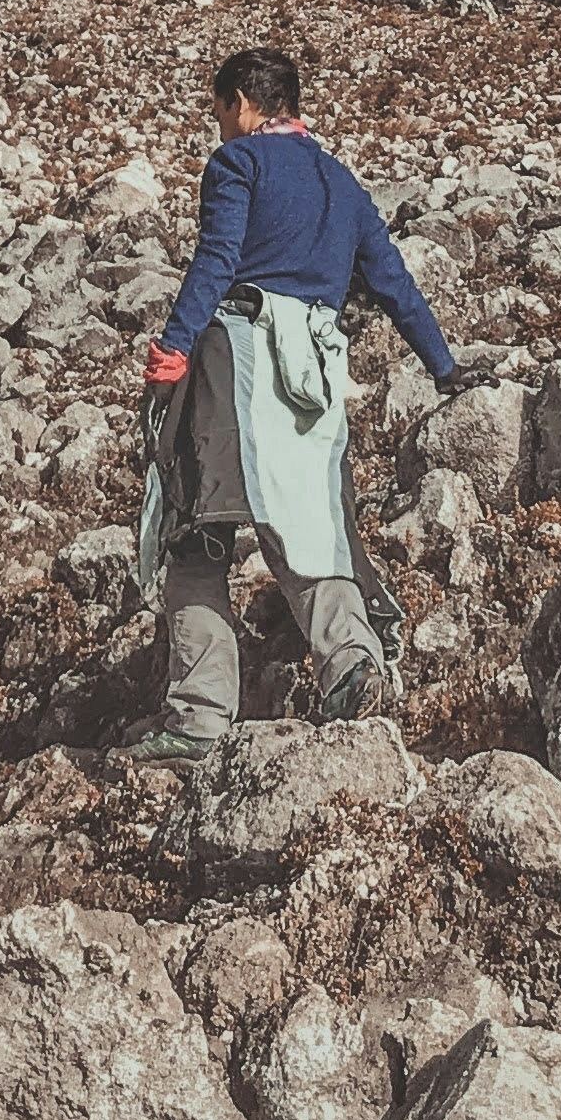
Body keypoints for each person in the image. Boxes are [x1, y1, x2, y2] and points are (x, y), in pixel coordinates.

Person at [120, 45, 462, 758]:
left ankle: (200, 715)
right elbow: (393, 283)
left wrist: (172, 351)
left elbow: (216, 259)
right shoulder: (341, 183)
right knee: (311, 524)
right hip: (315, 373)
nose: (219, 130)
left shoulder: (238, 164)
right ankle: (352, 661)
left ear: (242, 104)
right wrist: (445, 367)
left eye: (220, 114)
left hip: (236, 361)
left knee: (197, 533)